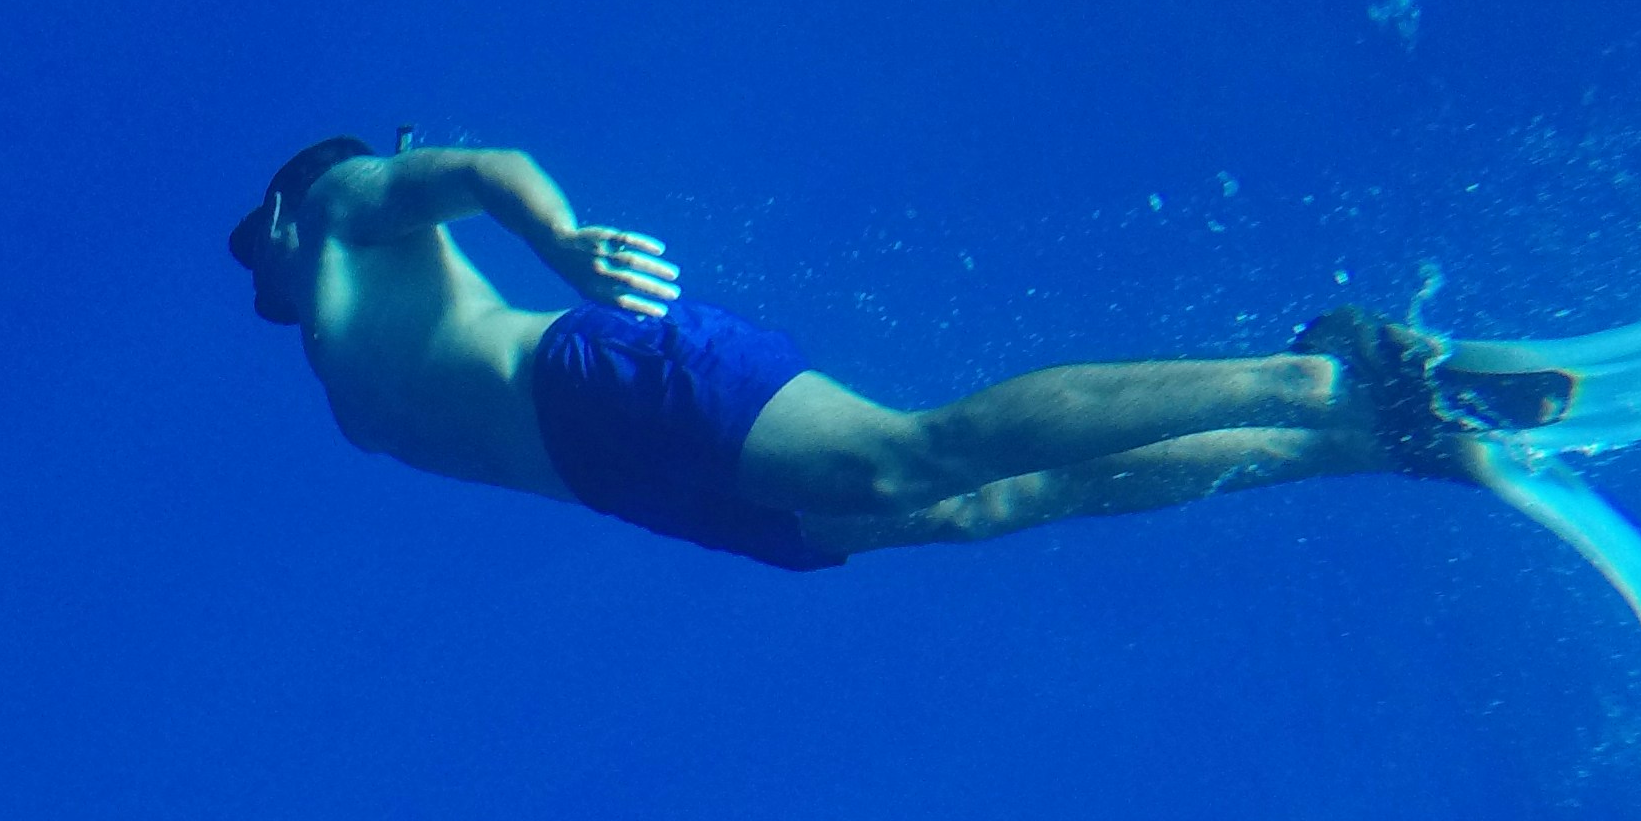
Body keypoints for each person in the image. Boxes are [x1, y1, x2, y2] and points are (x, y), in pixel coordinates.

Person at [225, 136, 1572, 570]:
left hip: (596, 380)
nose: (253, 272)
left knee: (905, 455)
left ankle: (1324, 371)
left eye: (253, 243)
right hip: (627, 484)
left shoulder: (337, 210)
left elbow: (481, 168)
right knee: (983, 503)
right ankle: (1367, 440)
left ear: (284, 210)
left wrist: (565, 245)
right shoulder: (342, 383)